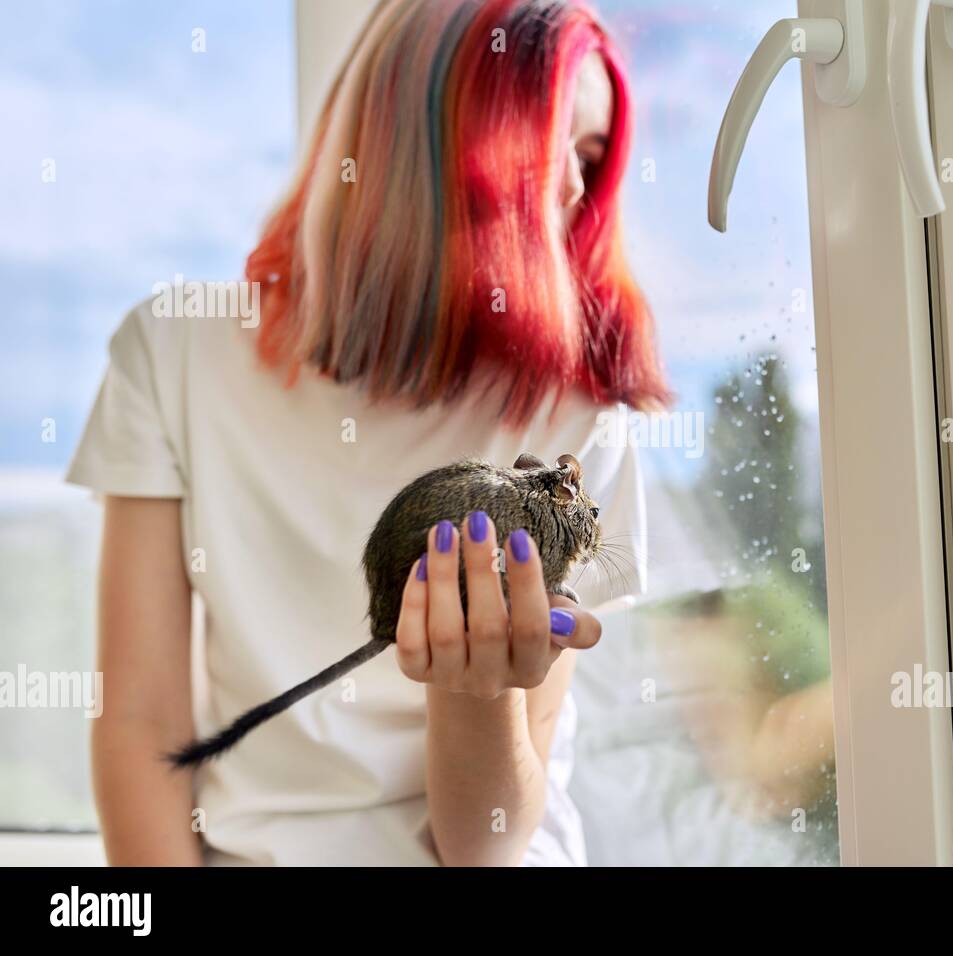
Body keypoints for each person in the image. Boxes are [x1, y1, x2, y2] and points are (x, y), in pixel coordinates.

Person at [65, 0, 669, 867]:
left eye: (590, 160)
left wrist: (479, 697)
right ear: (423, 142)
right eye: (549, 147)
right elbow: (139, 724)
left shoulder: (576, 416)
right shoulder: (173, 354)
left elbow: (485, 849)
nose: (576, 190)